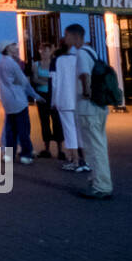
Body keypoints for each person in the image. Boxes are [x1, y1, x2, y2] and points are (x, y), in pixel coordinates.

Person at [73, 24, 114, 199]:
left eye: (67, 36)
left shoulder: (82, 53)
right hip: (99, 106)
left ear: (75, 37)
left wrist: (86, 93)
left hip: (89, 107)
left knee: (94, 147)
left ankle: (101, 186)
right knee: (99, 145)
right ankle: (98, 182)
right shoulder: (93, 52)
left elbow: (84, 75)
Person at [0, 40, 40, 164]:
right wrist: (35, 95)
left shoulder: (0, 63)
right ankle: (26, 154)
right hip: (18, 100)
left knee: (10, 130)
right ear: (8, 49)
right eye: (13, 46)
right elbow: (24, 82)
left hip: (7, 101)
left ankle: (9, 155)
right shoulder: (13, 64)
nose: (16, 47)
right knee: (23, 129)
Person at [51, 36, 85, 173]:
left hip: (63, 99)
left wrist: (53, 101)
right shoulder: (77, 59)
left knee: (69, 130)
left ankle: (75, 160)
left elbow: (54, 83)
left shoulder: (57, 61)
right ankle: (84, 160)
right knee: (79, 130)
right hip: (77, 99)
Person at [30, 42, 63, 158]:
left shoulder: (55, 64)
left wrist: (43, 80)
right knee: (44, 122)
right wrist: (48, 80)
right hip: (41, 96)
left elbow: (56, 80)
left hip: (53, 95)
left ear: (51, 52)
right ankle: (46, 149)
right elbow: (34, 79)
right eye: (41, 50)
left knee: (57, 121)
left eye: (46, 50)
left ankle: (60, 150)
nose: (43, 53)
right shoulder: (36, 64)